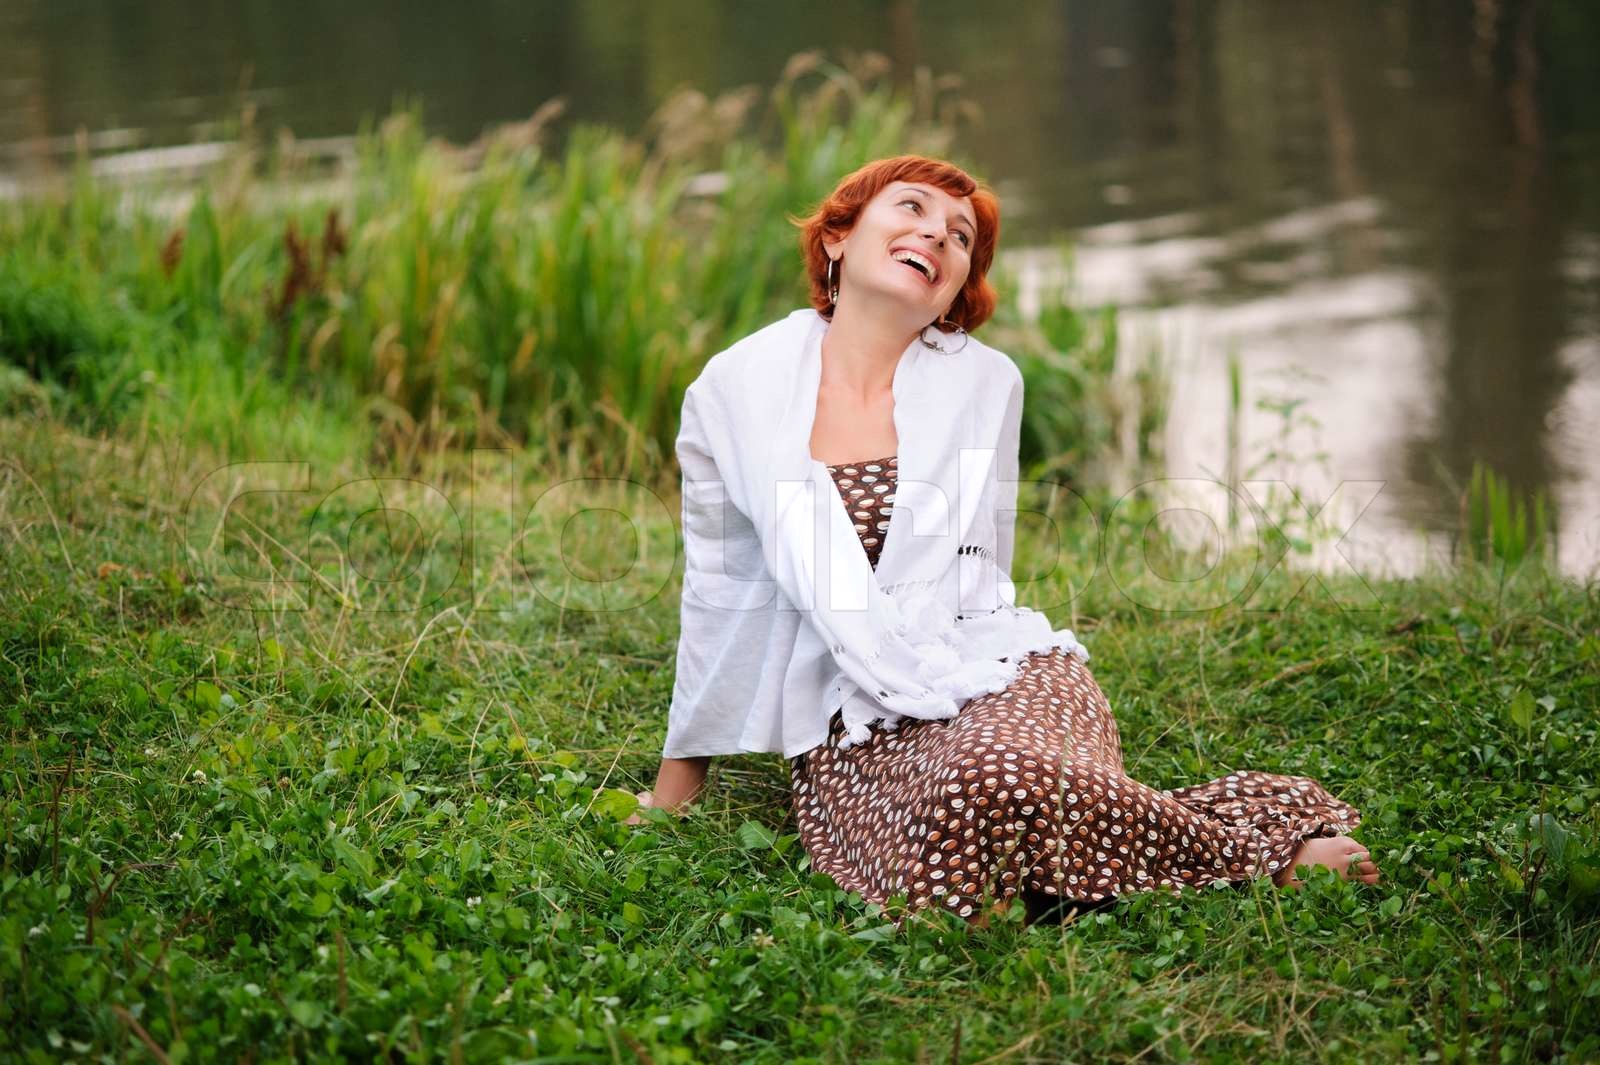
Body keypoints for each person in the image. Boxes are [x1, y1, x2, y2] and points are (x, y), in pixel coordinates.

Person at [630, 155, 1379, 929]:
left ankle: (1260, 852)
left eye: (960, 237)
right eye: (912, 208)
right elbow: (726, 589)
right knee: (976, 806)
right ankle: (1095, 846)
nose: (937, 235)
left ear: (955, 289)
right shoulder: (740, 385)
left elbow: (979, 574)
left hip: (992, 661)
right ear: (838, 239)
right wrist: (674, 789)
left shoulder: (985, 383)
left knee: (1009, 769)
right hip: (853, 709)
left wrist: (967, 690)